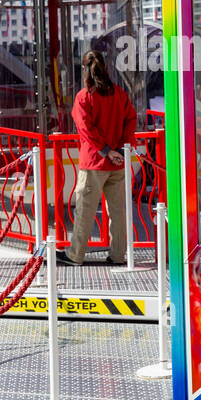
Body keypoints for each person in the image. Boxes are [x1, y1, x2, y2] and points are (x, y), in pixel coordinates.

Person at [62, 50, 137, 266]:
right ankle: (118, 255)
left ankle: (76, 255)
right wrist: (121, 149)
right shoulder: (119, 94)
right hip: (118, 163)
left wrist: (105, 151)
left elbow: (85, 128)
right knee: (118, 212)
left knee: (85, 210)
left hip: (94, 162)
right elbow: (131, 119)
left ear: (85, 70)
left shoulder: (84, 97)